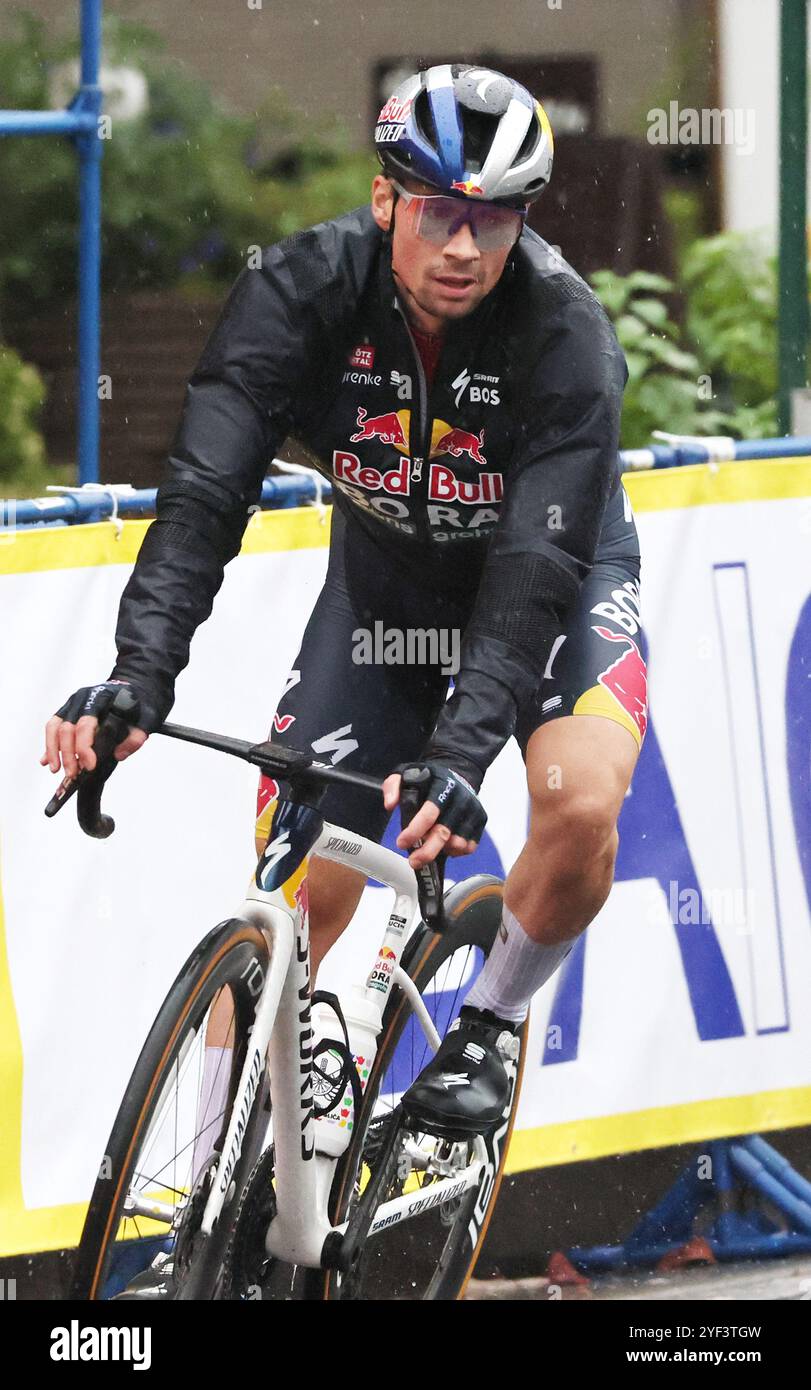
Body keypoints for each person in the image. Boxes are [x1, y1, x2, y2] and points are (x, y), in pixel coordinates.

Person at [42, 64, 647, 1138]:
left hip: (550, 578)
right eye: (439, 213)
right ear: (384, 202)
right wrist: (140, 674)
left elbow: (534, 568)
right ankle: (211, 1184)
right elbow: (204, 496)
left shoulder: (564, 335)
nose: (465, 246)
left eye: (493, 219)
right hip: (385, 588)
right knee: (294, 896)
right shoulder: (298, 292)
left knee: (583, 797)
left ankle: (489, 1029)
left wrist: (461, 756)